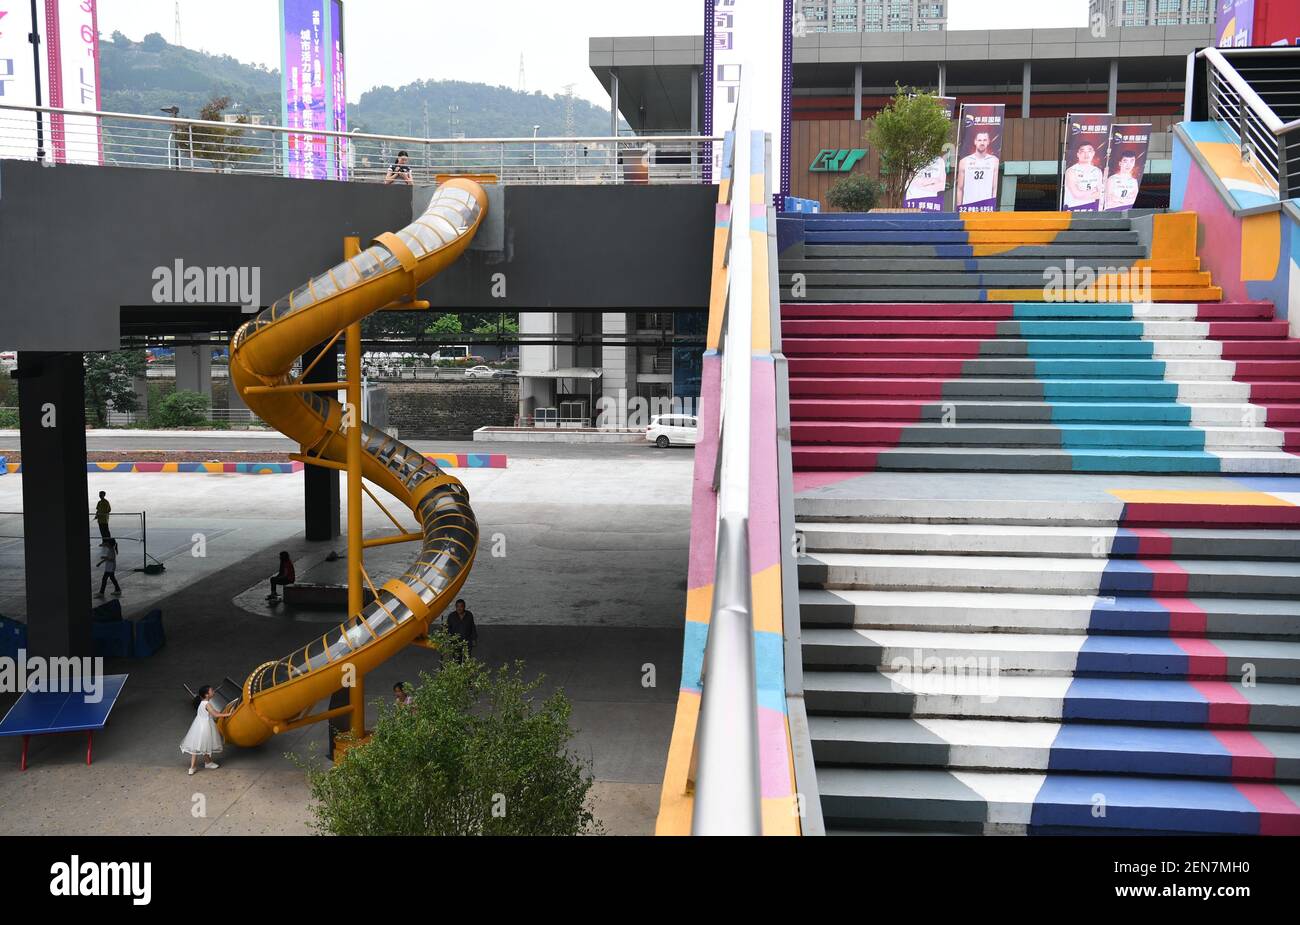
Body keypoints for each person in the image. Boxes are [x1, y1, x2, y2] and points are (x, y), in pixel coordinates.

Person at [181, 686, 233, 775]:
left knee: (202, 744)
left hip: (198, 725)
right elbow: (215, 714)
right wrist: (229, 714)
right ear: (207, 694)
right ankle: (193, 766)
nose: (214, 692)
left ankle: (207, 762)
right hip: (204, 726)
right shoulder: (207, 704)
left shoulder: (202, 703)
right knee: (199, 745)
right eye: (212, 691)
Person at [955, 130, 999, 209]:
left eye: (985, 140)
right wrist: (959, 207)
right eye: (979, 140)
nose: (982, 143)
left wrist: (993, 206)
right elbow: (959, 188)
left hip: (986, 207)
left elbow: (994, 188)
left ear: (988, 142)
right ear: (975, 142)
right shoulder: (964, 161)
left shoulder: (994, 161)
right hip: (968, 206)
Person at [1063, 143, 1105, 210]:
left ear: (1093, 153)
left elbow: (1100, 194)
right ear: (1078, 154)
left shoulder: (1097, 171)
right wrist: (1093, 190)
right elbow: (1076, 195)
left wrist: (1083, 194)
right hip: (1074, 208)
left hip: (1092, 207)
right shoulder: (1071, 171)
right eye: (1083, 151)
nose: (1086, 154)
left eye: (1089, 151)